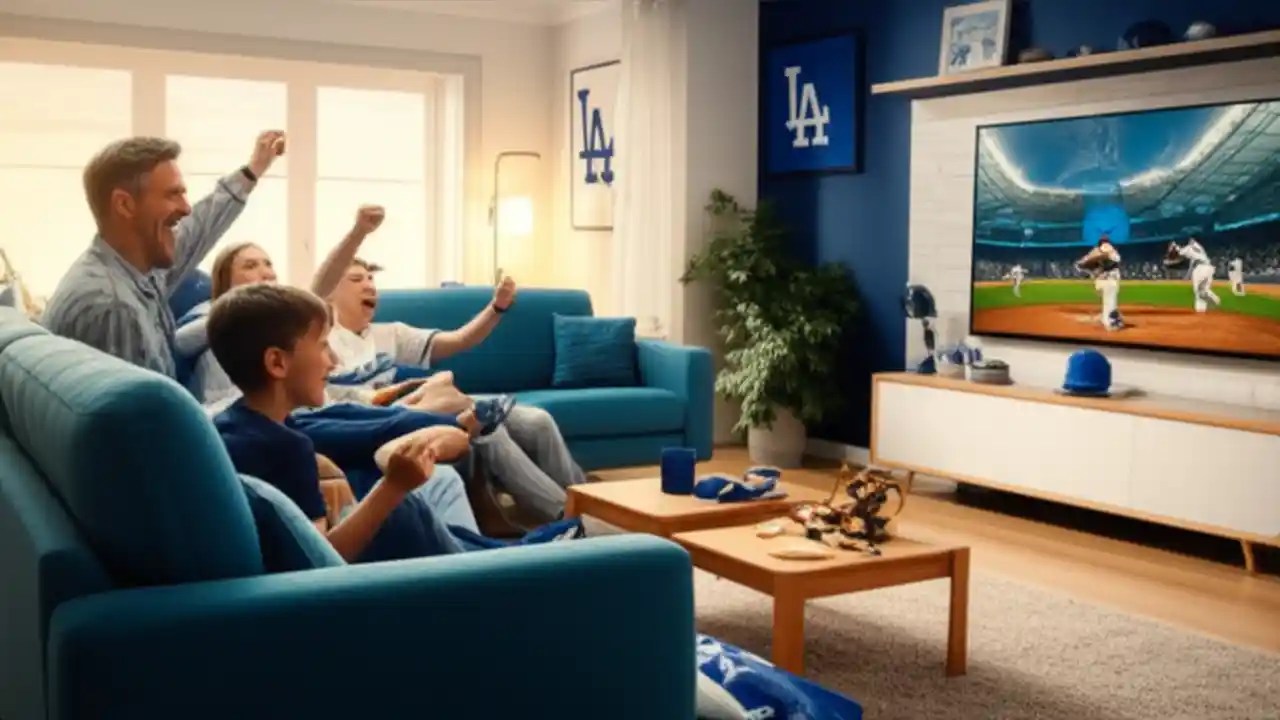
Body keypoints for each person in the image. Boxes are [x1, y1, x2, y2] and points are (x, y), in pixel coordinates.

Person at [208, 283, 584, 563]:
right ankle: (525, 555)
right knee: (405, 511)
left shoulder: (232, 427)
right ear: (277, 363)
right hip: (368, 586)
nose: (333, 362)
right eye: (323, 346)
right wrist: (393, 486)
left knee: (420, 516)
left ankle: (523, 549)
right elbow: (323, 562)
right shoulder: (285, 447)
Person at [327, 259, 586, 525]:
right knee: (489, 432)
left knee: (537, 421)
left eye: (371, 279)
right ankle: (566, 516)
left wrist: (496, 308)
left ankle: (589, 500)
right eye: (357, 280)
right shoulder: (323, 341)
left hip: (433, 403)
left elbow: (460, 339)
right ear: (331, 291)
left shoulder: (391, 334)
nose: (370, 285)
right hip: (400, 417)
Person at [42, 131, 286, 373]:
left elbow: (196, 231)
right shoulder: (114, 307)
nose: (186, 208)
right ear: (124, 205)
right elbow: (139, 412)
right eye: (173, 194)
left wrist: (253, 171)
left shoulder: (136, 272)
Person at [1076, 234, 1124, 331]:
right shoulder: (1109, 249)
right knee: (1110, 301)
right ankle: (1110, 322)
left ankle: (1108, 319)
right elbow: (1116, 259)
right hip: (1110, 280)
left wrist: (1090, 265)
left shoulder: (1096, 250)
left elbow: (1081, 264)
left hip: (1102, 281)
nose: (1105, 244)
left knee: (1107, 301)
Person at [1170, 237, 1221, 312]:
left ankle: (1202, 309)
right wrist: (1188, 274)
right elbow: (1192, 262)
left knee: (1197, 291)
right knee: (1204, 289)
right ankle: (1213, 302)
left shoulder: (1187, 248)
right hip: (1209, 267)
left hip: (1200, 268)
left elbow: (1178, 252)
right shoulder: (1198, 246)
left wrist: (1174, 246)